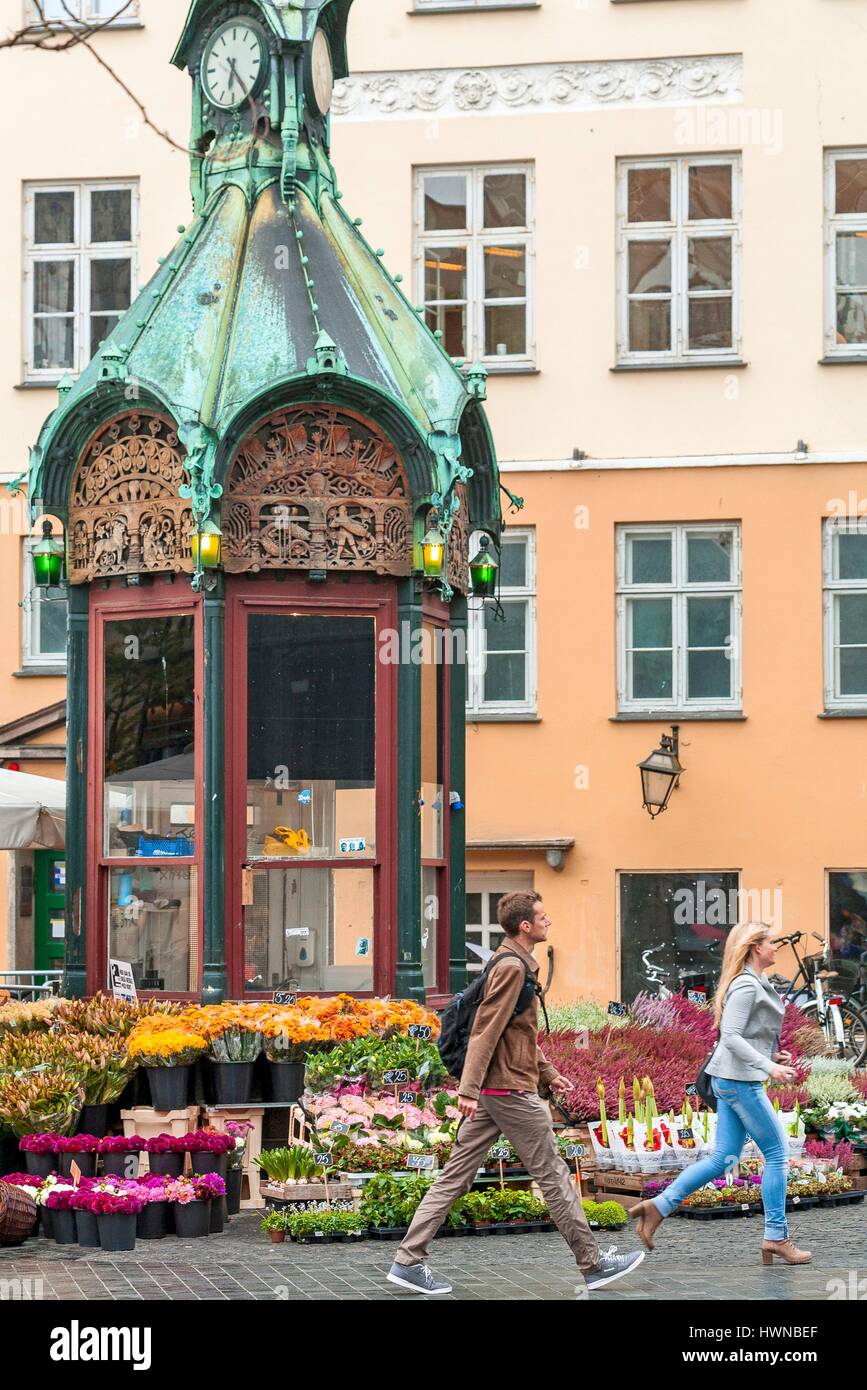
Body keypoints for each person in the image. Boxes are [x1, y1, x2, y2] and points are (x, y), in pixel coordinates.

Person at [387, 891, 645, 1295]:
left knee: (454, 1177)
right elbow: (485, 1030)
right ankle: (593, 1264)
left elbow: (516, 1034)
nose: (549, 922)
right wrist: (468, 1089)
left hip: (499, 1088)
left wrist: (547, 1073)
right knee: (554, 1175)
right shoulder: (511, 967)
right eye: (543, 916)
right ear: (525, 926)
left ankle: (407, 1260)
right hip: (508, 1092)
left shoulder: (514, 963)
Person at [630, 921, 811, 1266]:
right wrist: (770, 1068)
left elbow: (744, 1036)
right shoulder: (746, 985)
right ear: (756, 947)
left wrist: (770, 1056)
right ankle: (776, 1236)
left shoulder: (752, 982)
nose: (777, 947)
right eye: (772, 942)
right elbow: (729, 1036)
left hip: (730, 1079)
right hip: (740, 1083)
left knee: (722, 1159)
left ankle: (658, 1206)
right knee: (777, 1154)